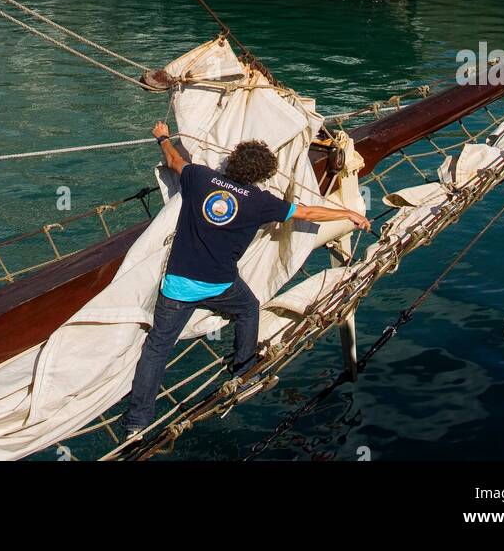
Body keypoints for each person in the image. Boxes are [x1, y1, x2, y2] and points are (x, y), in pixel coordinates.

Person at [123, 123, 370, 442]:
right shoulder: (260, 202)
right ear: (262, 175)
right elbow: (308, 212)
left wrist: (162, 137)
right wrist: (348, 214)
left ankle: (136, 424)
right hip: (219, 286)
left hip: (177, 286)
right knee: (249, 308)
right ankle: (244, 371)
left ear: (232, 161)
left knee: (157, 349)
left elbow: (173, 160)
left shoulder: (199, 178)